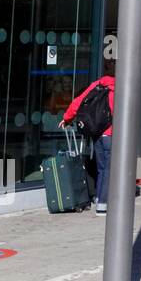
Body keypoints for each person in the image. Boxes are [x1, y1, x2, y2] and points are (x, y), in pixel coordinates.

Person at [61, 60, 115, 215]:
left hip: (97, 133)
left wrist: (66, 118)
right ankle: (103, 205)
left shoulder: (97, 85)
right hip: (110, 134)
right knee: (109, 169)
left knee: (101, 168)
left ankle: (99, 198)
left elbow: (78, 101)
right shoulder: (119, 88)